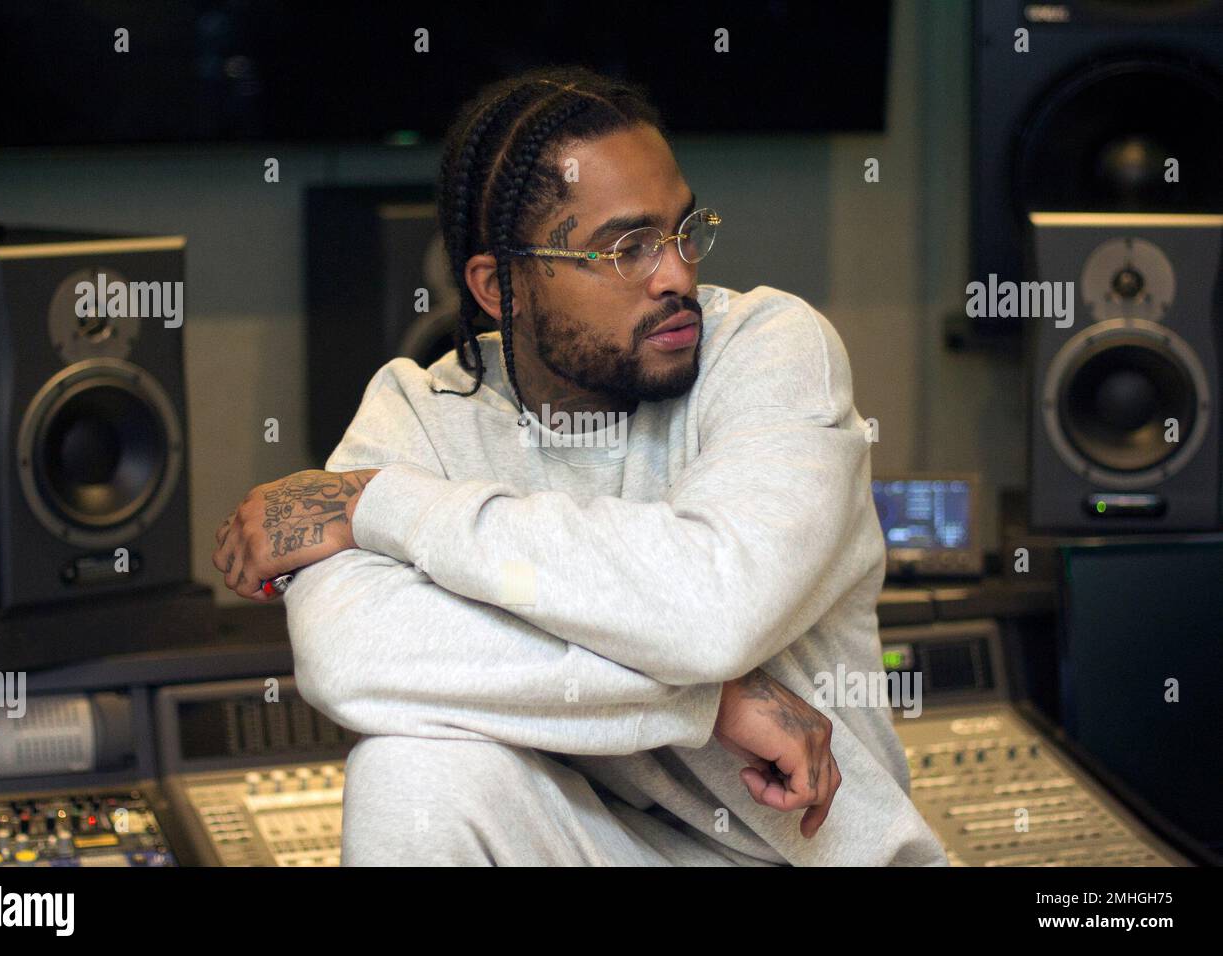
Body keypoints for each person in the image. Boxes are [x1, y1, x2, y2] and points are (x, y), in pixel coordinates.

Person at [212, 65, 947, 866]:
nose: (675, 274)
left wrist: (384, 505)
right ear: (501, 286)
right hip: (588, 847)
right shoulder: (418, 413)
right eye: (625, 248)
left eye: (684, 229)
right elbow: (349, 659)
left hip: (794, 856)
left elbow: (713, 611)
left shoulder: (771, 350)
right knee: (410, 772)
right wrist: (712, 705)